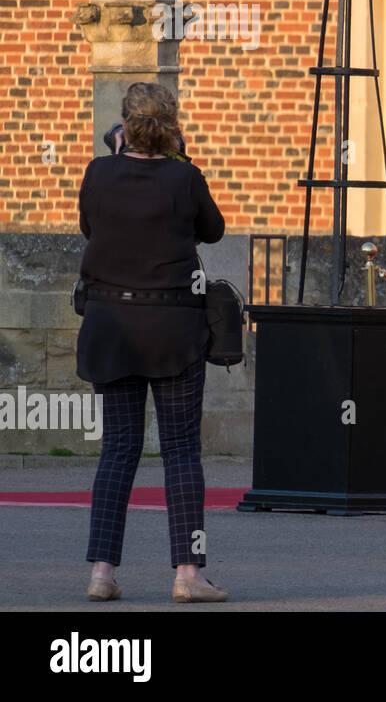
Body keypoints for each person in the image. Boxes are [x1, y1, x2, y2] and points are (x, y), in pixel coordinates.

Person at [78, 81, 228, 603]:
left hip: (111, 326)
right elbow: (214, 229)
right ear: (171, 126)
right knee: (182, 451)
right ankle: (188, 574)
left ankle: (102, 571)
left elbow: (88, 226)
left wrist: (120, 161)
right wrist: (183, 161)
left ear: (124, 125)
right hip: (174, 332)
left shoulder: (99, 173)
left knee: (118, 449)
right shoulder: (184, 178)